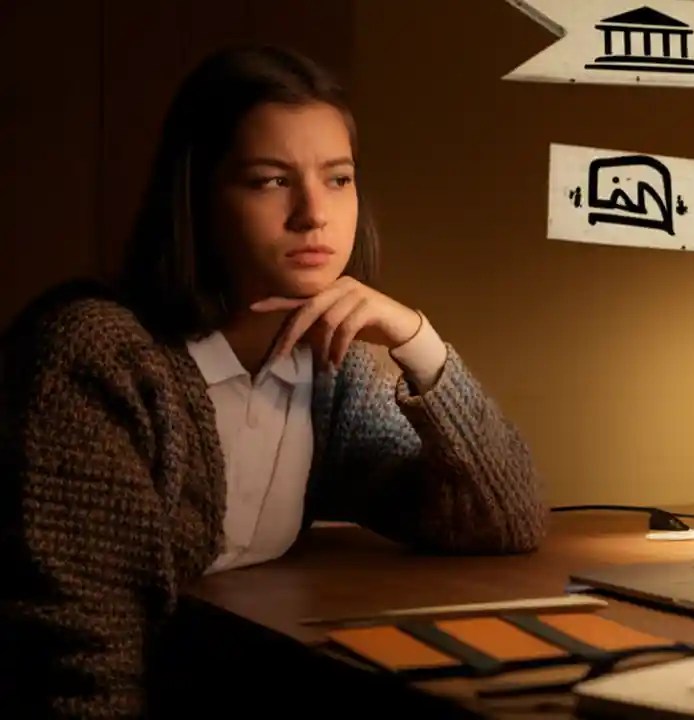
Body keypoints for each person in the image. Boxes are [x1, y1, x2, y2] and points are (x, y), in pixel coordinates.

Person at [0, 44, 547, 716]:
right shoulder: (96, 358)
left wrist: (419, 343)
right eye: (268, 180)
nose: (313, 213)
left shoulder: (332, 370)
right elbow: (79, 651)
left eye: (338, 179)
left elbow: (505, 522)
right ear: (197, 198)